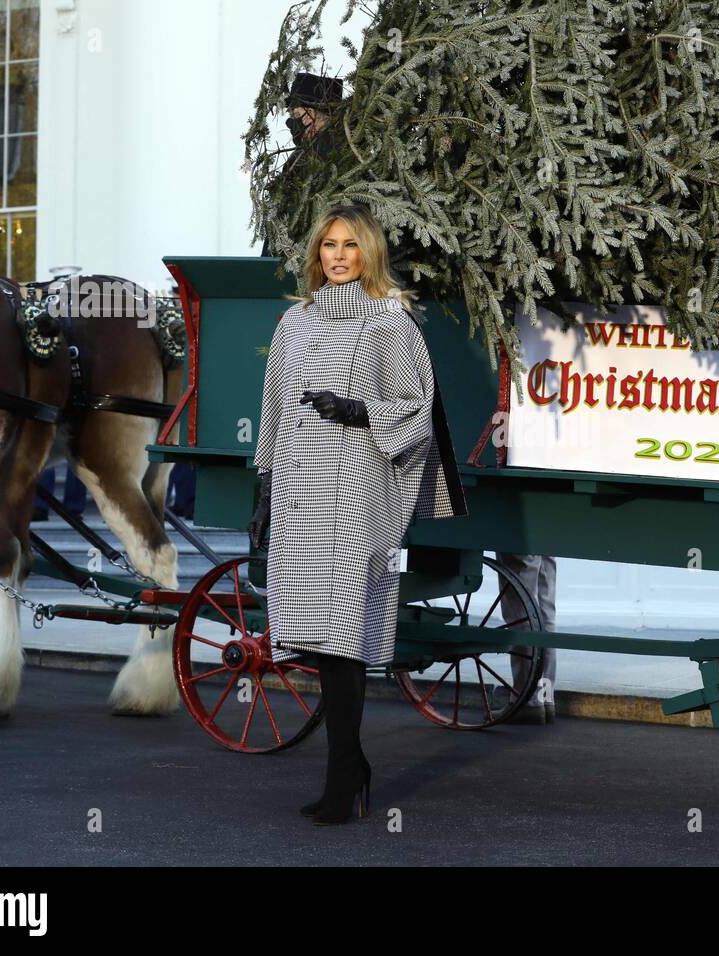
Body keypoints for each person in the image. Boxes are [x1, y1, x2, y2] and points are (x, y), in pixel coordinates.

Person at [248, 204, 467, 826]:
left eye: (350, 245)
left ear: (368, 252)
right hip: (298, 490)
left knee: (345, 633)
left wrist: (355, 410)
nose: (338, 256)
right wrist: (263, 486)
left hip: (358, 491)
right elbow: (273, 406)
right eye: (328, 246)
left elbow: (417, 406)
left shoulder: (390, 321)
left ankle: (346, 772)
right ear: (316, 254)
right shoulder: (293, 322)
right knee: (314, 633)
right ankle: (348, 768)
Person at [259, 73, 343, 258]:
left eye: (296, 114)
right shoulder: (300, 157)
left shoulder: (335, 156)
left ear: (312, 113)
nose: (292, 122)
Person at [494, 554, 558, 723]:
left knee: (520, 609)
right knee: (545, 610)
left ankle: (528, 701)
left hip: (520, 531)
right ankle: (545, 696)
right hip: (548, 529)